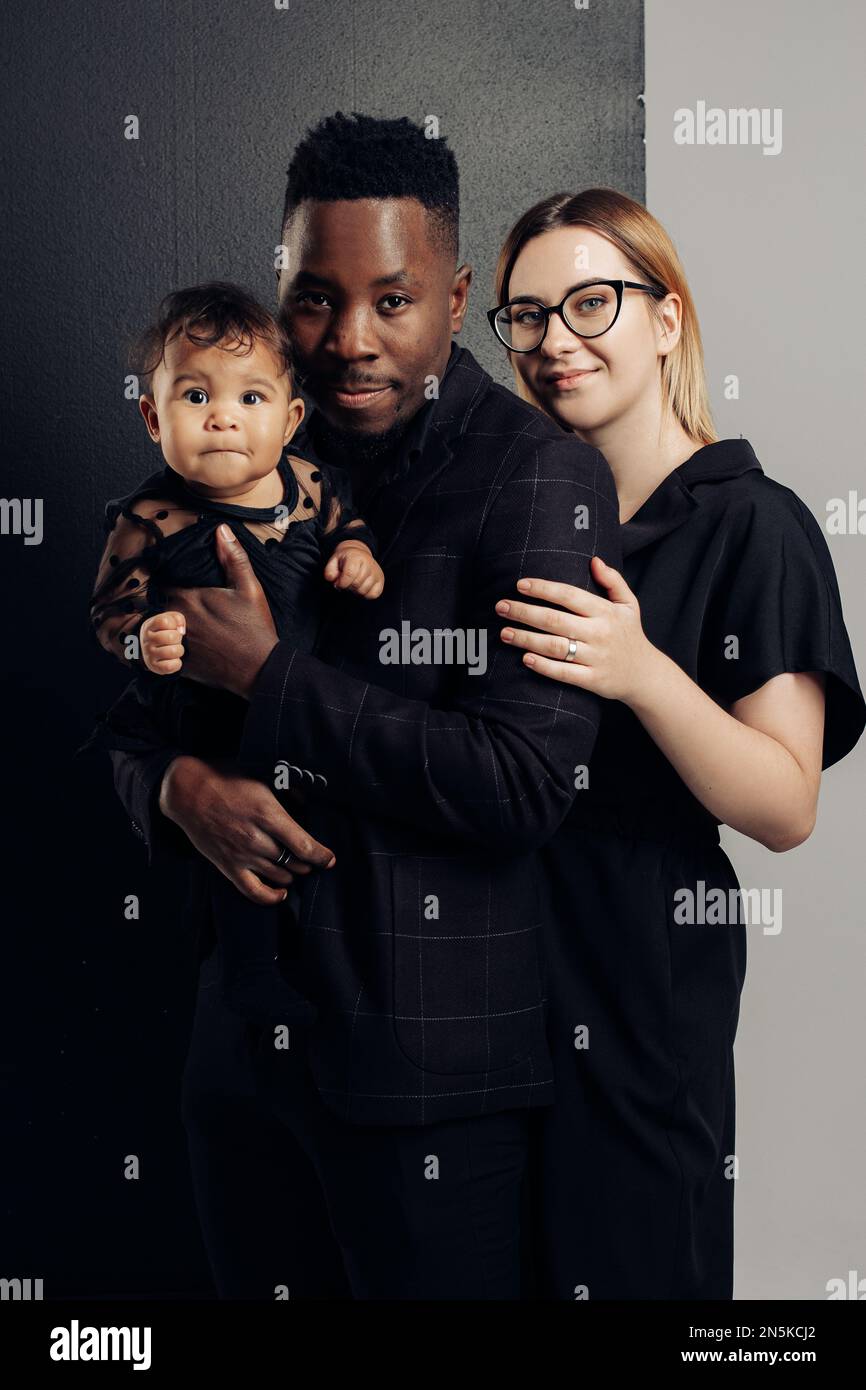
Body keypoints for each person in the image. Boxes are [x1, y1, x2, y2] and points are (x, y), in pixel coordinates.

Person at [90, 114, 622, 1299]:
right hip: (235, 1056)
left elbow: (522, 780)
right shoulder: (230, 451)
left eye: (393, 301)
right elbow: (131, 722)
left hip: (426, 1089)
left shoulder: (540, 476)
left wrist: (272, 684)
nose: (349, 341)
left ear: (455, 293)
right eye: (315, 300)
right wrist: (180, 791)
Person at [486, 187, 866, 1298]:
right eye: (526, 315)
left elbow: (783, 805)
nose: (555, 340)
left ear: (665, 320)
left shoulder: (753, 521)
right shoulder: (514, 513)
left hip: (639, 978)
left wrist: (638, 669)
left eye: (589, 303)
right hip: (481, 977)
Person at [81, 282, 383, 1030]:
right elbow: (110, 610)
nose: (222, 415)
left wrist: (356, 553)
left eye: (252, 399)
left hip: (305, 720)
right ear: (152, 418)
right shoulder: (149, 517)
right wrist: (140, 638)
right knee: (226, 892)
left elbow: (352, 522)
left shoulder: (310, 485)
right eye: (193, 395)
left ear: (291, 419)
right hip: (202, 733)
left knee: (315, 860)